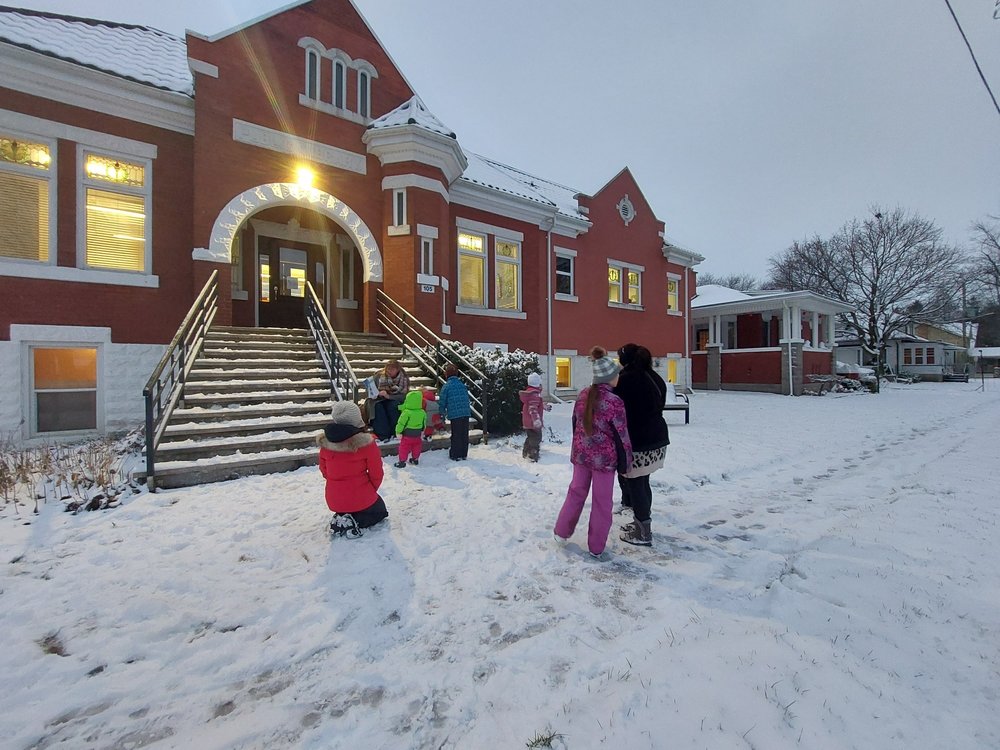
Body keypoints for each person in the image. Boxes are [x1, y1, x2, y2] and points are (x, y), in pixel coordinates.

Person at [553, 346, 632, 559]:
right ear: (608, 377)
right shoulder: (614, 402)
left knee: (576, 492)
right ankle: (596, 546)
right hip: (604, 462)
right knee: (602, 501)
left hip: (581, 456)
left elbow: (575, 424)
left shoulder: (582, 395)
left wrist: (579, 447)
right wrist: (626, 464)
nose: (618, 378)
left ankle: (561, 531)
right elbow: (622, 436)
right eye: (616, 375)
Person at [613, 344, 669, 546]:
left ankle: (643, 531)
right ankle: (641, 522)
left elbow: (615, 409)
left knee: (637, 483)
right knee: (643, 481)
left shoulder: (625, 380)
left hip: (637, 442)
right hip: (657, 438)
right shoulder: (654, 377)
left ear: (625, 360)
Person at [317, 401, 388, 539]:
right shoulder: (366, 443)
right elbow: (376, 473)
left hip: (333, 498)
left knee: (349, 504)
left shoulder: (326, 443)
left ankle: (342, 517)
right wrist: (371, 490)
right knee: (380, 511)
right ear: (357, 419)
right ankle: (354, 521)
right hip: (361, 496)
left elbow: (324, 469)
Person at [370, 359, 409, 441]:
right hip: (378, 399)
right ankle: (383, 434)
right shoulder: (379, 375)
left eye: (392, 369)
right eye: (388, 369)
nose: (389, 371)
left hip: (394, 399)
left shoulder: (404, 378)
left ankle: (395, 431)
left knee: (393, 406)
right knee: (378, 407)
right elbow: (371, 389)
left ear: (397, 370)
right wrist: (375, 394)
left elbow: (404, 396)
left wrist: (388, 396)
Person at [439, 363, 471, 460]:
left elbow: (442, 402)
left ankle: (455, 454)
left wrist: (442, 414)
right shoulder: (462, 385)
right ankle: (463, 453)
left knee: (456, 434)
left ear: (446, 374)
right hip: (465, 413)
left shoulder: (446, 386)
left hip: (455, 414)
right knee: (464, 434)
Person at [519, 371, 551, 462]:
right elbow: (532, 409)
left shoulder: (530, 394)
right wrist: (536, 420)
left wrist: (543, 406)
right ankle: (532, 455)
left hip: (527, 420)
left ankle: (525, 452)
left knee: (530, 436)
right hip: (532, 421)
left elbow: (534, 405)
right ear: (537, 384)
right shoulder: (534, 395)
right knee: (536, 438)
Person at [394, 390, 427, 468]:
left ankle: (402, 461)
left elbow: (401, 423)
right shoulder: (422, 412)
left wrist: (398, 432)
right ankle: (415, 459)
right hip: (417, 434)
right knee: (417, 447)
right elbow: (424, 423)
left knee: (404, 448)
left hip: (407, 435)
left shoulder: (406, 412)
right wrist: (422, 431)